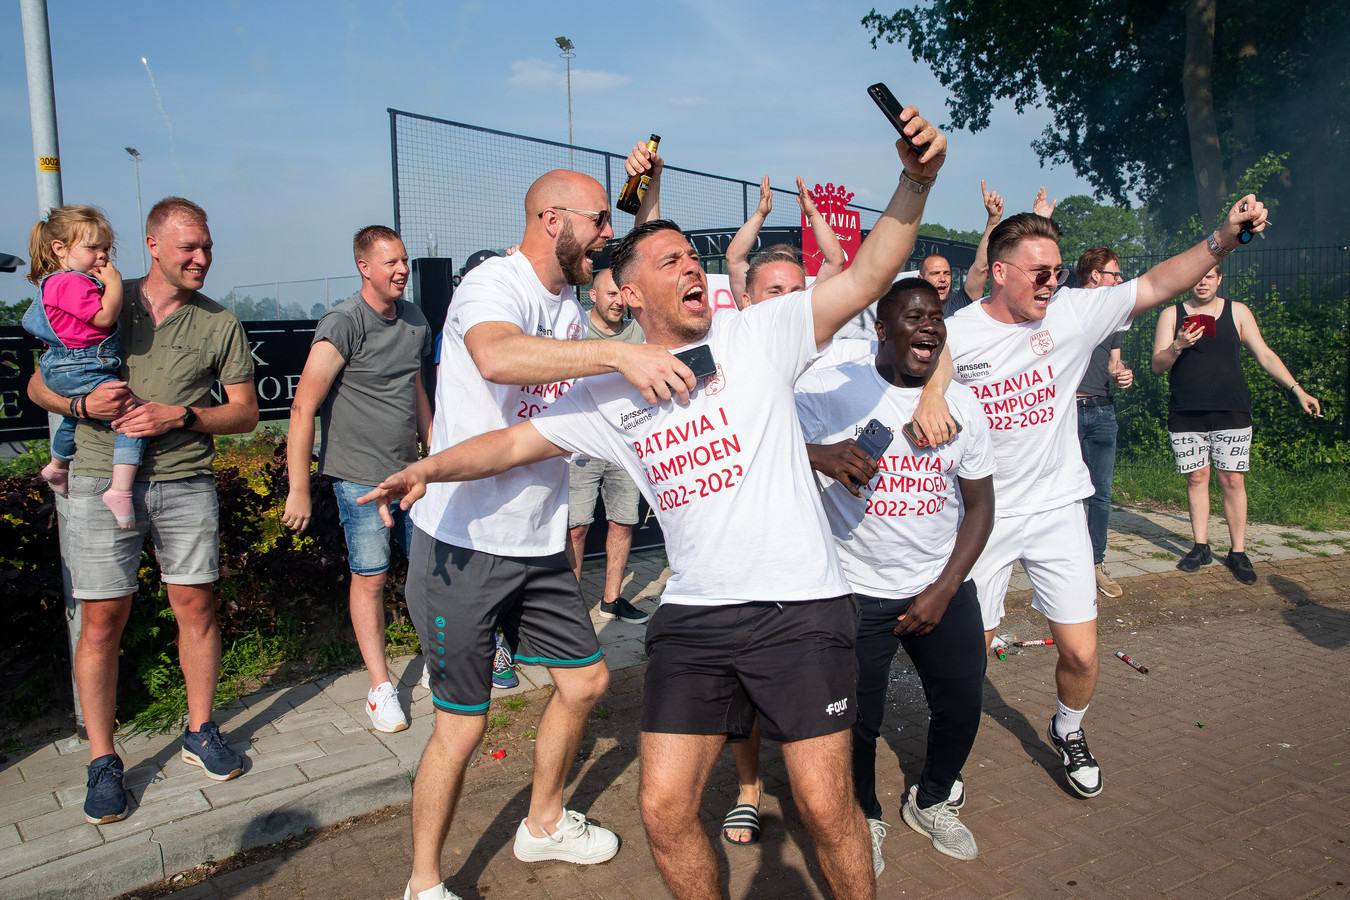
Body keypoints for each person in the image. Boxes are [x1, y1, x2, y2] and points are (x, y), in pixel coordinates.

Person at [363, 107, 948, 900]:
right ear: (632, 295)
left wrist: (915, 180)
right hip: (696, 616)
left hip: (800, 608)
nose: (693, 271)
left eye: (695, 261)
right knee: (665, 809)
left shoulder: (759, 335)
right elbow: (511, 444)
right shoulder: (612, 387)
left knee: (822, 802)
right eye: (671, 261)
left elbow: (871, 273)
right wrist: (426, 468)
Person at [392, 149, 696, 900]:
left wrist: (641, 193)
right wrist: (614, 355)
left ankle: (543, 824)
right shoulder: (492, 285)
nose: (604, 236)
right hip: (462, 546)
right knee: (463, 726)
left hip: (536, 549)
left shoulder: (570, 302)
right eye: (596, 221)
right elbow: (495, 358)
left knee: (587, 682)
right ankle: (424, 883)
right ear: (551, 219)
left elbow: (635, 256)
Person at [946, 198, 1269, 800]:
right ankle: (949, 753)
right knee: (971, 657)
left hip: (1058, 506)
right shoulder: (956, 337)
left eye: (1058, 271)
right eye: (1038, 272)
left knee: (1083, 650)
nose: (1051, 282)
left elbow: (1155, 283)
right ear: (999, 271)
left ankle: (1068, 729)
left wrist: (1223, 237)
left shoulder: (1070, 312)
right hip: (981, 515)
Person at [27, 197, 259, 824]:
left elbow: (244, 412)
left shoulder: (221, 323)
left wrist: (180, 415)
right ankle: (103, 761)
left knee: (197, 605)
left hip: (185, 480)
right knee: (101, 620)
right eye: (189, 248)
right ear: (153, 246)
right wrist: (80, 411)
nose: (202, 259)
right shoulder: (95, 292)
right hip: (97, 478)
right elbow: (38, 383)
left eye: (207, 247)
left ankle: (201, 729)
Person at [795, 278, 995, 873]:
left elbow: (980, 508)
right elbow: (758, 441)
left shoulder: (961, 405)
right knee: (856, 724)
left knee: (961, 704)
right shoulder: (836, 391)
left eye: (937, 317)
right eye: (914, 317)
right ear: (880, 330)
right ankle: (865, 817)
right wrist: (820, 455)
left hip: (939, 587)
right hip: (856, 592)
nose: (929, 327)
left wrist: (943, 589)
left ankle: (932, 799)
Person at [283, 226, 432, 732]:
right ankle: (380, 687)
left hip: (410, 474)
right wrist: (299, 488)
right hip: (359, 480)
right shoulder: (343, 322)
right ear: (364, 267)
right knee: (369, 578)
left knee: (425, 571)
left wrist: (434, 453)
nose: (401, 270)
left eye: (405, 260)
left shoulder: (414, 319)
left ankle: (437, 662)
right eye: (390, 262)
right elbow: (303, 405)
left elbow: (414, 386)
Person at [1151, 263, 1320, 584]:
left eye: (1209, 277)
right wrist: (1178, 345)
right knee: (1198, 478)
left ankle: (1237, 552)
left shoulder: (1238, 312)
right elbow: (1157, 365)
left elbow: (1265, 355)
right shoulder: (1171, 315)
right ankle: (1200, 546)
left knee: (1233, 480)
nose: (1202, 282)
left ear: (1219, 279)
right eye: (1197, 277)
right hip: (1187, 411)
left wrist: (1298, 390)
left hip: (1232, 411)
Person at [23, 206, 144, 528]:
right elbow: (103, 318)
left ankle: (57, 466)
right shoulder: (69, 283)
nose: (102, 257)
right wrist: (115, 284)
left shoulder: (56, 282)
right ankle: (119, 490)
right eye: (92, 248)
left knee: (72, 415)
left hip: (66, 366)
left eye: (105, 248)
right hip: (82, 365)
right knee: (131, 418)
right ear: (59, 249)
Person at [566, 267, 651, 625]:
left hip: (624, 443)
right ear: (593, 295)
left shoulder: (641, 332)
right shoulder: (571, 327)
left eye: (622, 294)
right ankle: (569, 612)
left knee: (623, 522)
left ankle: (611, 600)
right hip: (581, 444)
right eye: (610, 294)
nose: (617, 302)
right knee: (576, 527)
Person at [1074, 248, 1135, 598]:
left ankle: (1095, 563)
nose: (1120, 280)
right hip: (1065, 411)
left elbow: (1113, 362)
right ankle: (1062, 563)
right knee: (1065, 493)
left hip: (1101, 411)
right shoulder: (1061, 307)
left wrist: (1121, 372)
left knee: (1101, 493)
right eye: (1115, 274)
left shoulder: (1114, 317)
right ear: (1095, 275)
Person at [727, 175, 845, 306]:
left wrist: (813, 215)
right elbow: (734, 258)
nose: (785, 297)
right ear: (747, 300)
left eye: (795, 290)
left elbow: (835, 261)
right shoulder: (750, 308)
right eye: (774, 291)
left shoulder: (804, 305)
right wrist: (760, 214)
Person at [921, 180, 1003, 319]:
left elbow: (981, 268)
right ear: (921, 279)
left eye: (946, 273)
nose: (942, 279)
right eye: (935, 273)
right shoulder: (909, 309)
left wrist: (993, 219)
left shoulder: (960, 303)